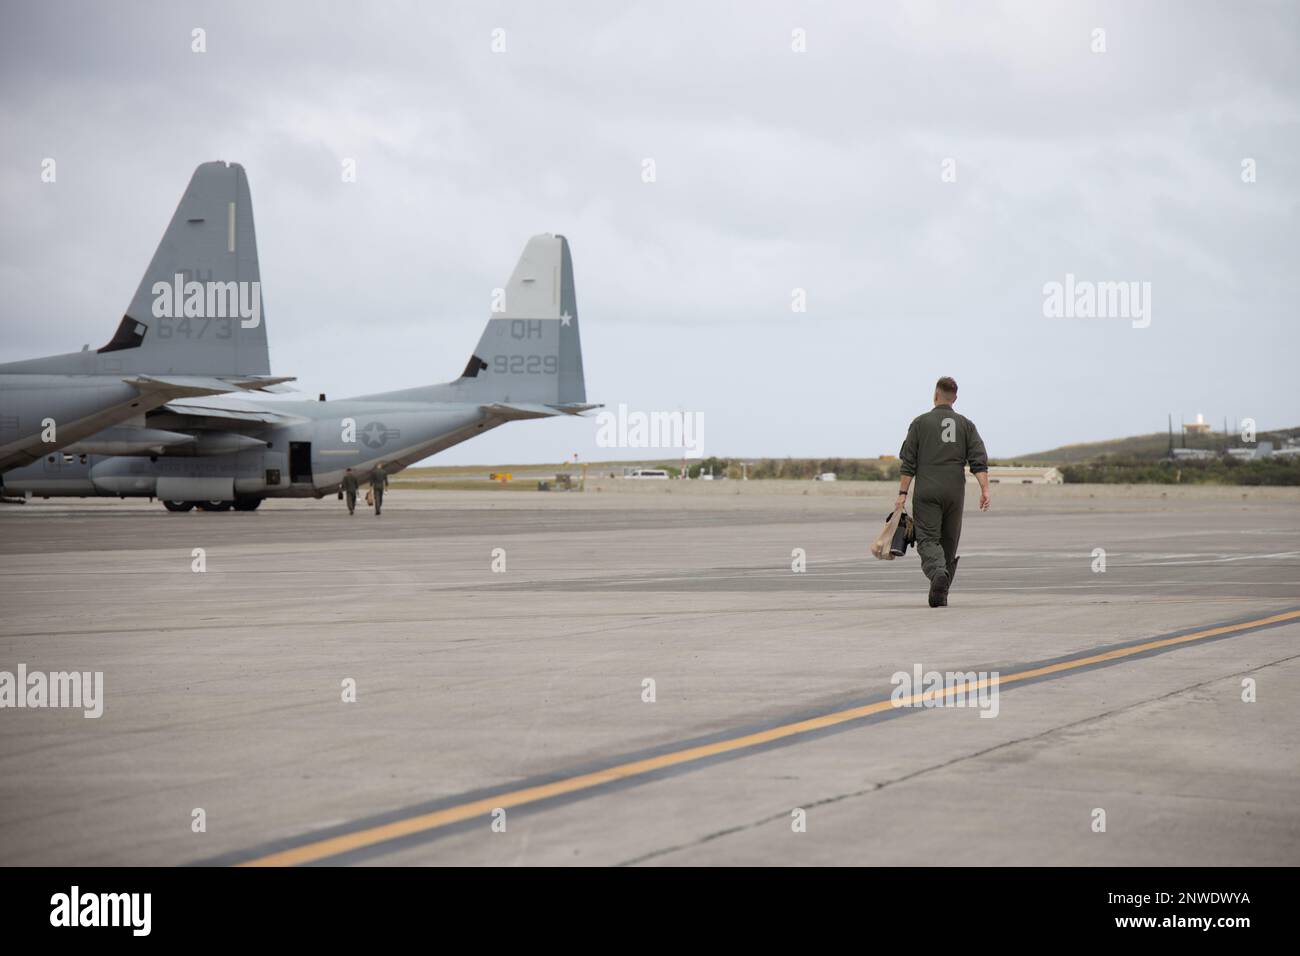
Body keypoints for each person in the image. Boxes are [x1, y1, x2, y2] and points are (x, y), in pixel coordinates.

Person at [896, 376, 990, 608]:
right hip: (954, 491)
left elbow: (908, 462)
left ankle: (938, 573)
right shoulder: (966, 425)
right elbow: (978, 461)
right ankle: (940, 594)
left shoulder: (919, 423)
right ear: (954, 398)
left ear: (935, 395)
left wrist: (902, 493)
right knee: (949, 541)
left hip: (927, 489)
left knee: (928, 539)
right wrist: (985, 489)